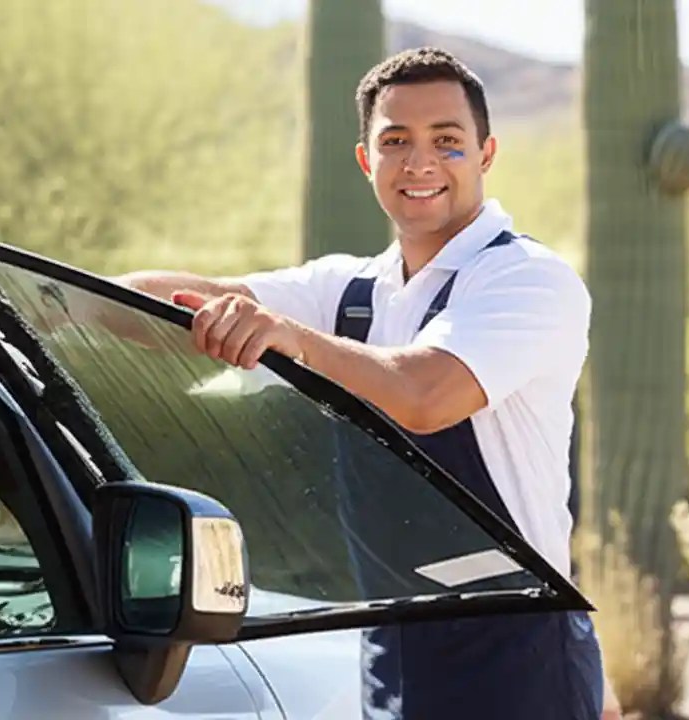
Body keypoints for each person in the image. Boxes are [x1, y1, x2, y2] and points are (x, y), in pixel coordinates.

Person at [112, 47, 618, 720]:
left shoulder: (526, 279)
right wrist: (65, 306)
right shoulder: (351, 291)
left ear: (487, 153)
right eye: (396, 141)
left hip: (517, 657)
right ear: (365, 160)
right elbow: (191, 302)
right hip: (390, 650)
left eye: (447, 141)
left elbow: (427, 394)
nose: (420, 163)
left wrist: (292, 338)